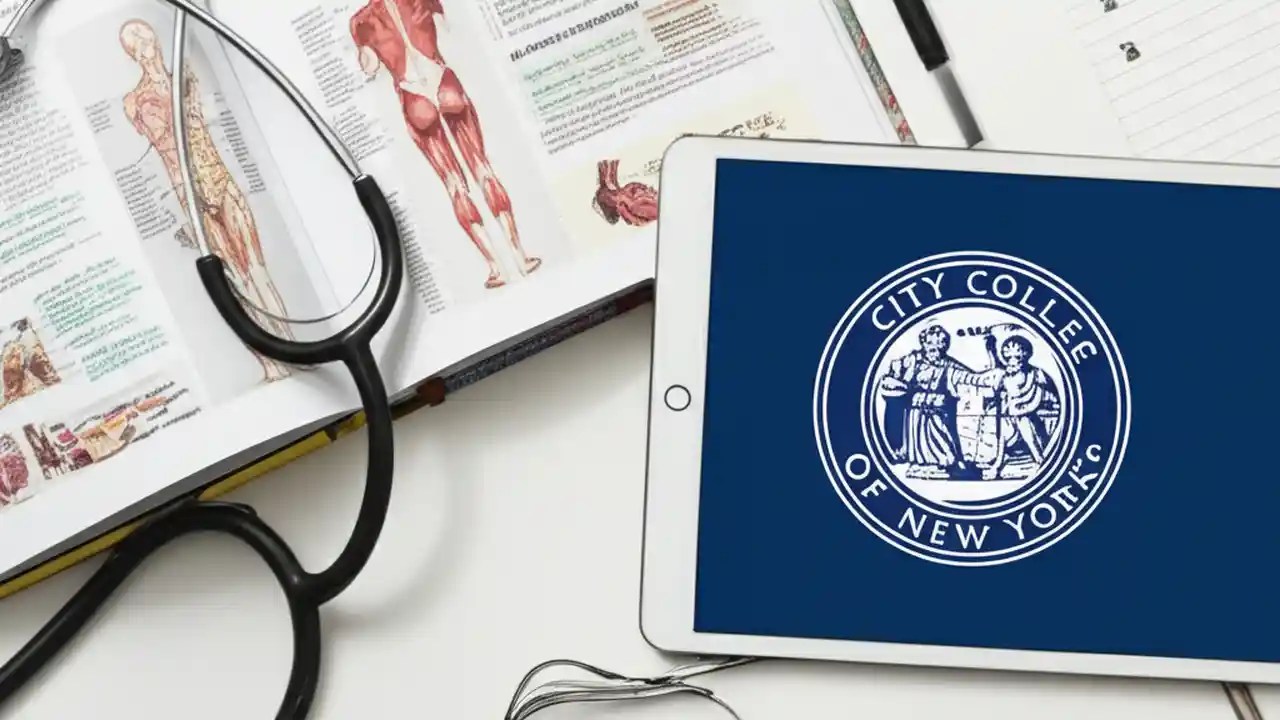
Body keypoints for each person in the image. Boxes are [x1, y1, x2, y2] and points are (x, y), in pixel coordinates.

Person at [119, 19, 294, 383]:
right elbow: (166, 140)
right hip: (191, 196)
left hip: (220, 179)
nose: (143, 44)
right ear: (130, 53)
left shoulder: (187, 74)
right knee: (232, 279)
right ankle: (270, 363)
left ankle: (292, 348)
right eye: (134, 42)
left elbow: (199, 123)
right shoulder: (134, 101)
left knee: (257, 268)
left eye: (144, 34)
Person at [350, 0, 541, 289]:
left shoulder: (361, 22)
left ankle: (495, 268)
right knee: (483, 169)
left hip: (412, 94)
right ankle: (520, 257)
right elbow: (448, 28)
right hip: (443, 80)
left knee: (454, 184)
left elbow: (371, 68)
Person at [877, 325, 980, 480]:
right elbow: (893, 378)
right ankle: (921, 464)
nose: (935, 349)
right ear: (924, 344)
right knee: (918, 436)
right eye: (931, 345)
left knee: (942, 436)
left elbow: (968, 376)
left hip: (938, 408)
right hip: (916, 409)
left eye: (939, 345)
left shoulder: (948, 364)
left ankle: (944, 462)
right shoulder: (911, 361)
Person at [950, 334, 1061, 469]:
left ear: (1025, 356)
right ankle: (999, 461)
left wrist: (1052, 402)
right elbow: (983, 376)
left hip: (1026, 412)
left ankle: (1039, 459)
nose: (1012, 361)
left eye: (1017, 357)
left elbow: (1055, 391)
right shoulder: (1003, 374)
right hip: (1008, 413)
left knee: (1025, 427)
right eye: (1008, 357)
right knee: (1000, 428)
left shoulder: (1036, 373)